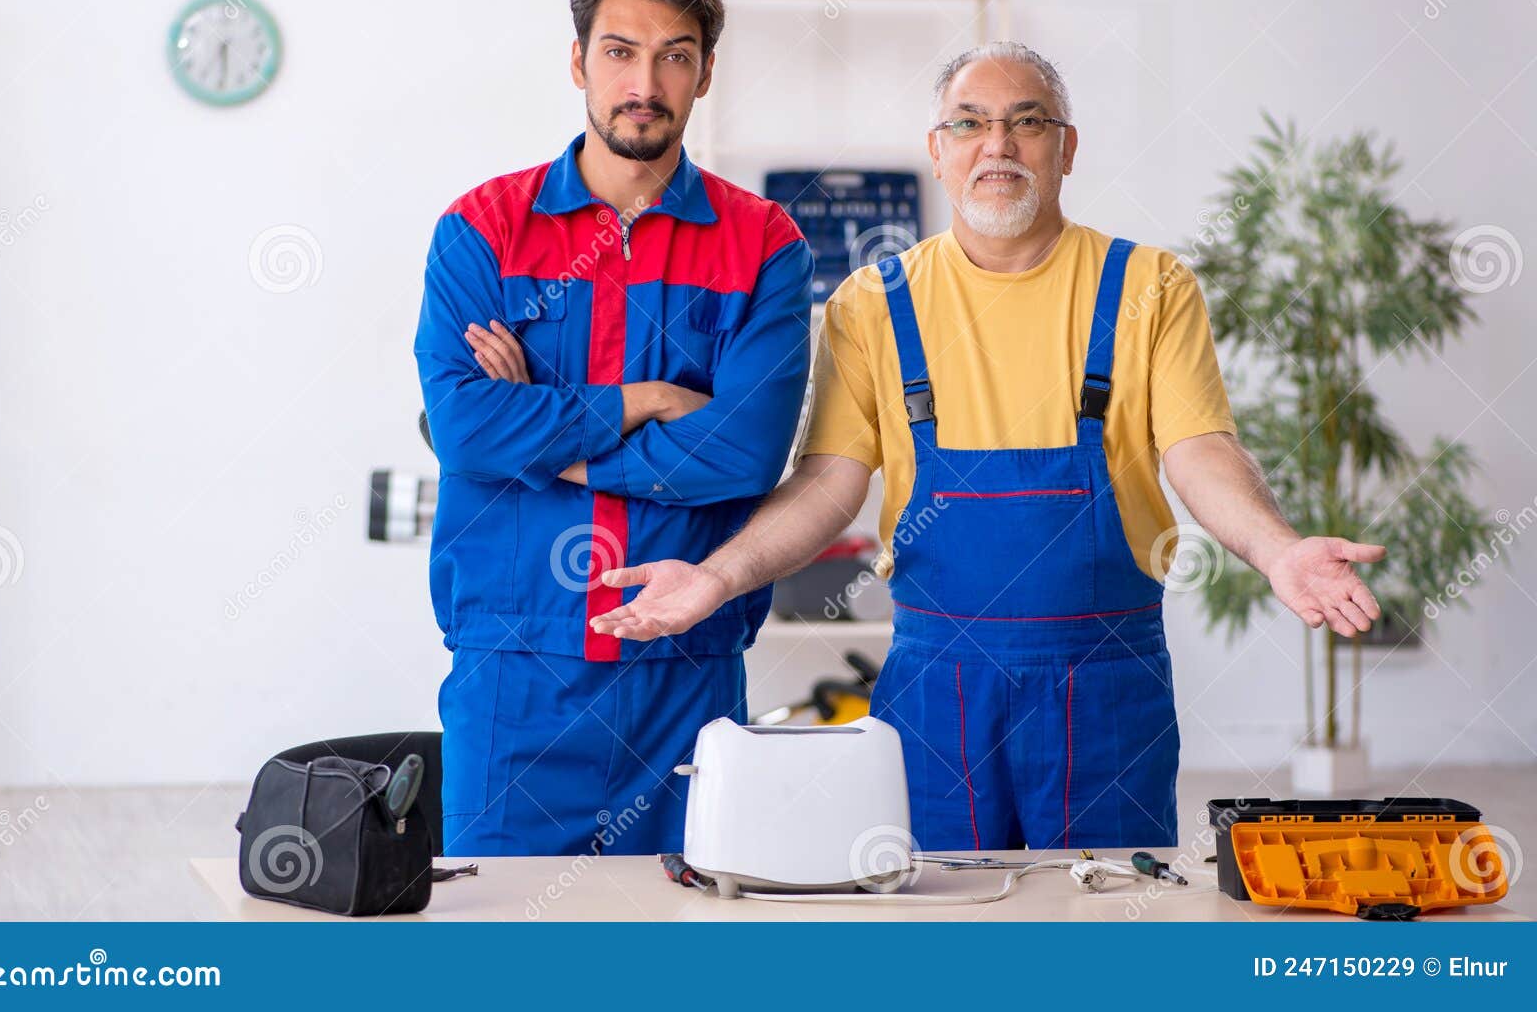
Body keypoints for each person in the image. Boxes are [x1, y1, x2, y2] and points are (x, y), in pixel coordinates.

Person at [589, 41, 1385, 852]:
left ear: (1067, 148)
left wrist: (1279, 550)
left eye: (1027, 122)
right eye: (969, 123)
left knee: (1109, 907)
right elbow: (828, 482)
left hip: (1107, 684)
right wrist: (717, 577)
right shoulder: (872, 304)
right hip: (936, 688)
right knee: (940, 908)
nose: (997, 144)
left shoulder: (1150, 287)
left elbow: (1200, 450)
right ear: (937, 151)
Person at [413, 0, 813, 855]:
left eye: (675, 56)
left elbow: (745, 452)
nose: (646, 82)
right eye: (621, 52)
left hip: (687, 667)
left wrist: (547, 440)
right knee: (499, 929)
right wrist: (641, 399)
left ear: (705, 73)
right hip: (515, 669)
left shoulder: (764, 244)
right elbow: (465, 428)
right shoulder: (482, 228)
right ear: (578, 62)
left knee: (688, 928)